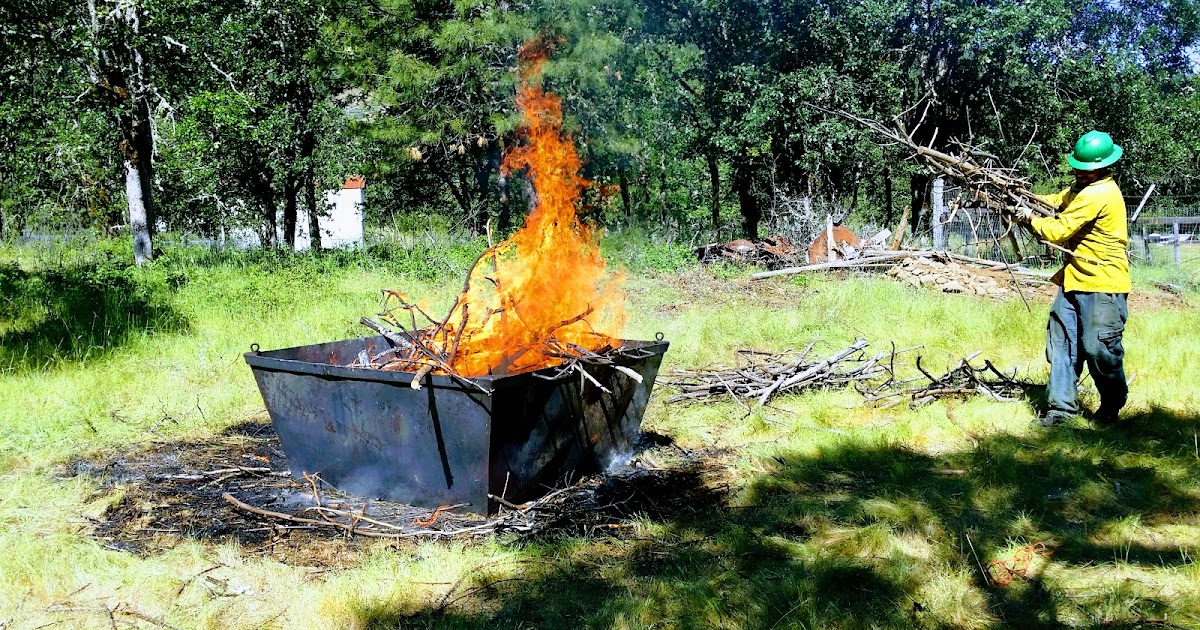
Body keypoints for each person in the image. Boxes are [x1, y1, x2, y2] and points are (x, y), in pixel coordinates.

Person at [1013, 130, 1130, 427]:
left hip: (1103, 283)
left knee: (1099, 348)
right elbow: (1057, 201)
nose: (1079, 171)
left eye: (1085, 168)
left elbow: (1057, 231)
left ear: (1101, 168)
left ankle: (1112, 404)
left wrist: (1029, 218)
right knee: (1062, 344)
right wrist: (1022, 197)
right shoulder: (1083, 188)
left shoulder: (1098, 194)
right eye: (1077, 166)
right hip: (1073, 280)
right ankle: (1061, 410)